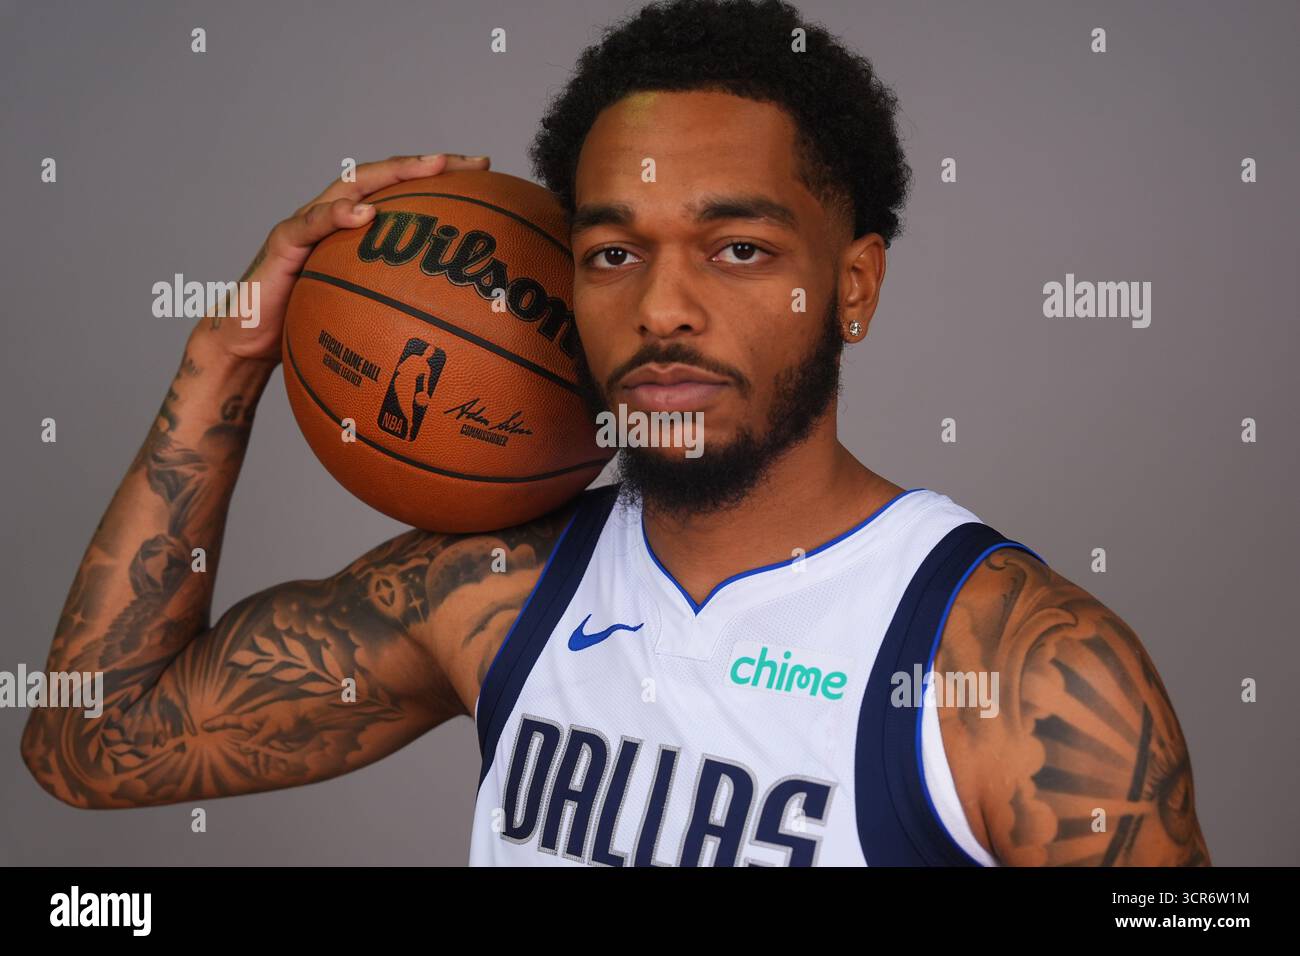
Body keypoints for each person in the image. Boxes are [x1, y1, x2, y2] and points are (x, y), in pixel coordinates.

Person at [20, 0, 1209, 866]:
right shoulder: (497, 588)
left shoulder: (1022, 670)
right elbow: (90, 743)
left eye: (738, 248)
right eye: (610, 253)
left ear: (852, 286)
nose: (661, 306)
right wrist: (219, 364)